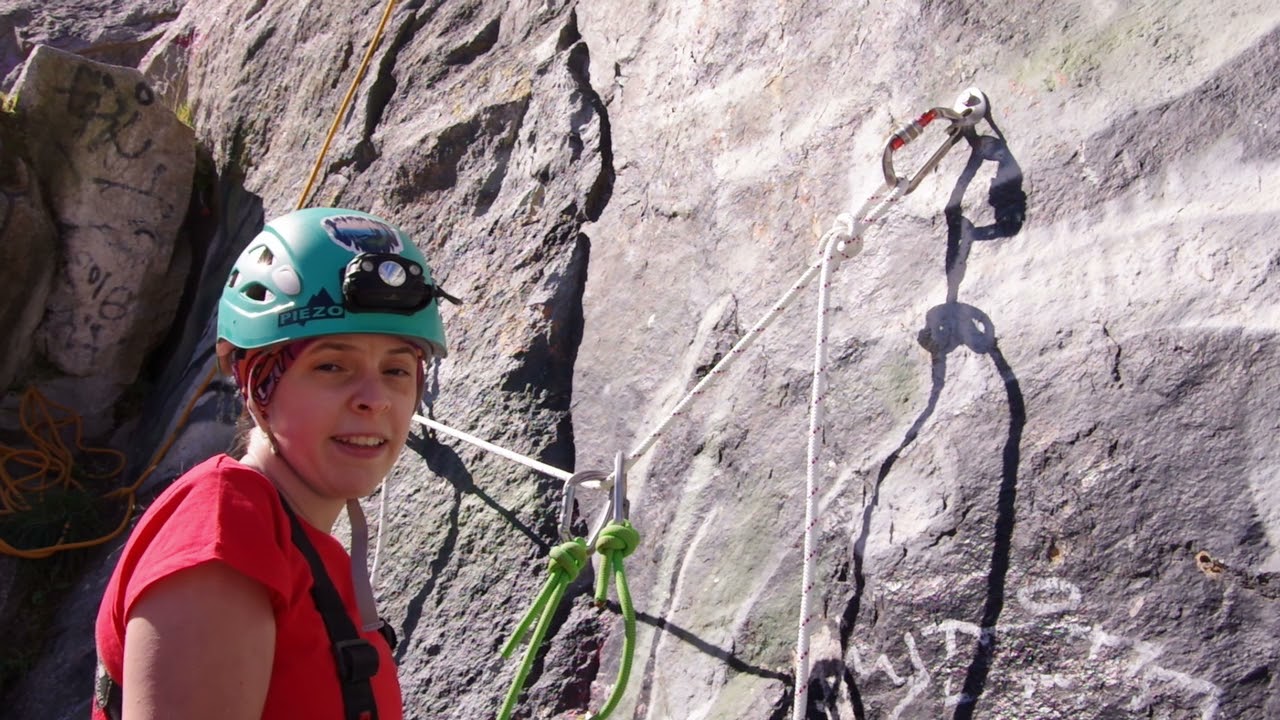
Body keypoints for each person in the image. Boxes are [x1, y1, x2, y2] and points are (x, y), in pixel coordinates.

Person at [93, 207, 453, 720]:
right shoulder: (222, 541)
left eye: (397, 369)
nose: (376, 399)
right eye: (332, 365)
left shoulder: (291, 538)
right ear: (256, 382)